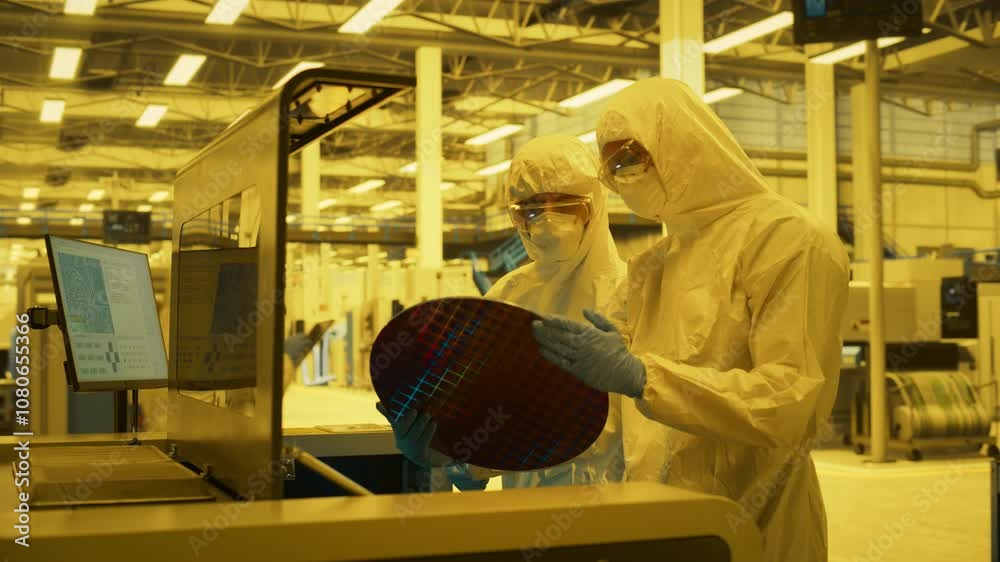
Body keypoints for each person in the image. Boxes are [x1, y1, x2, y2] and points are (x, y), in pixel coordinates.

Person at [530, 78, 849, 562]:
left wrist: (645, 378)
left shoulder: (788, 239)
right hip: (658, 519)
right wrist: (469, 448)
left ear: (682, 141)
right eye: (612, 169)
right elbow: (602, 418)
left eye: (629, 160)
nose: (622, 179)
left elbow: (791, 402)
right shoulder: (652, 267)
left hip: (755, 521)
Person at [377, 134, 627, 490]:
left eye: (564, 202)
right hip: (522, 511)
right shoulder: (507, 298)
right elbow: (481, 451)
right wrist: (443, 454)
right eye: (532, 207)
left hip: (622, 508)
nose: (548, 218)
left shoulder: (635, 294)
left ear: (595, 204)